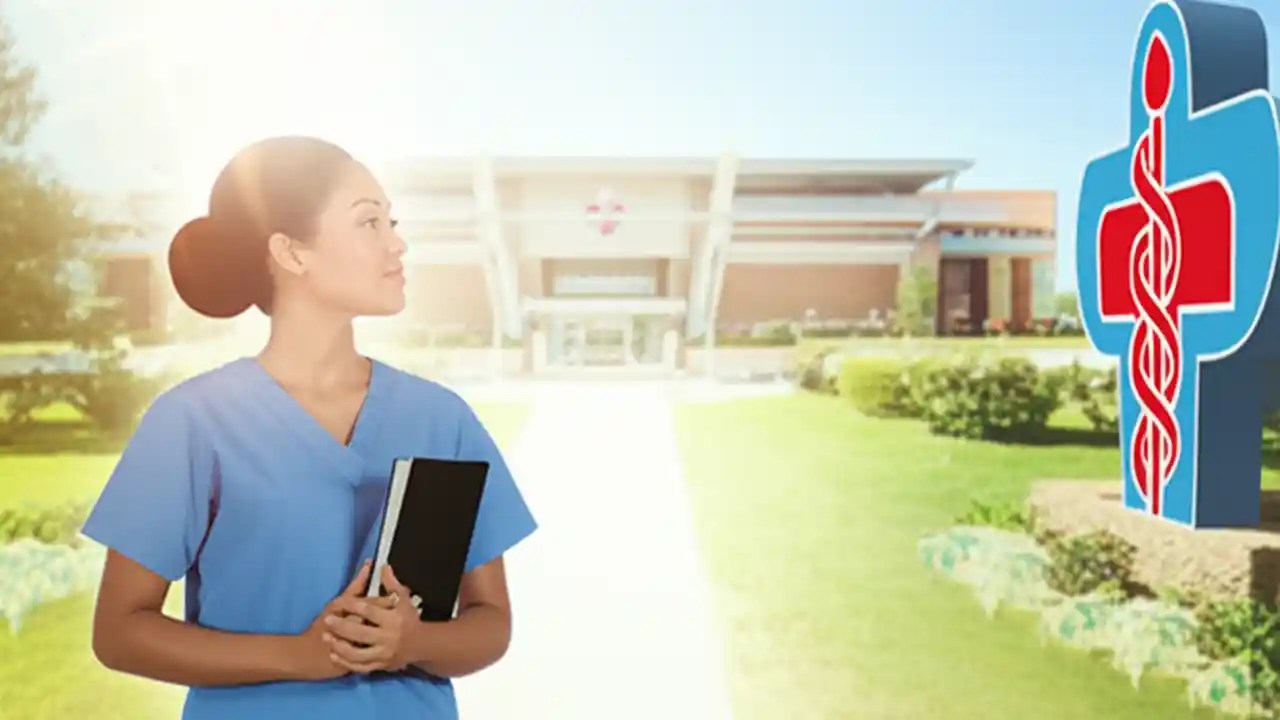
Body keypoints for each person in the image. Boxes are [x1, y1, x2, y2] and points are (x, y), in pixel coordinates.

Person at [80, 136, 538, 719]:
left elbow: (490, 624)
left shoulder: (440, 418)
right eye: (369, 222)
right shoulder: (192, 423)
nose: (397, 243)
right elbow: (119, 633)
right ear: (292, 253)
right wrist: (301, 656)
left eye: (391, 221)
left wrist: (413, 642)